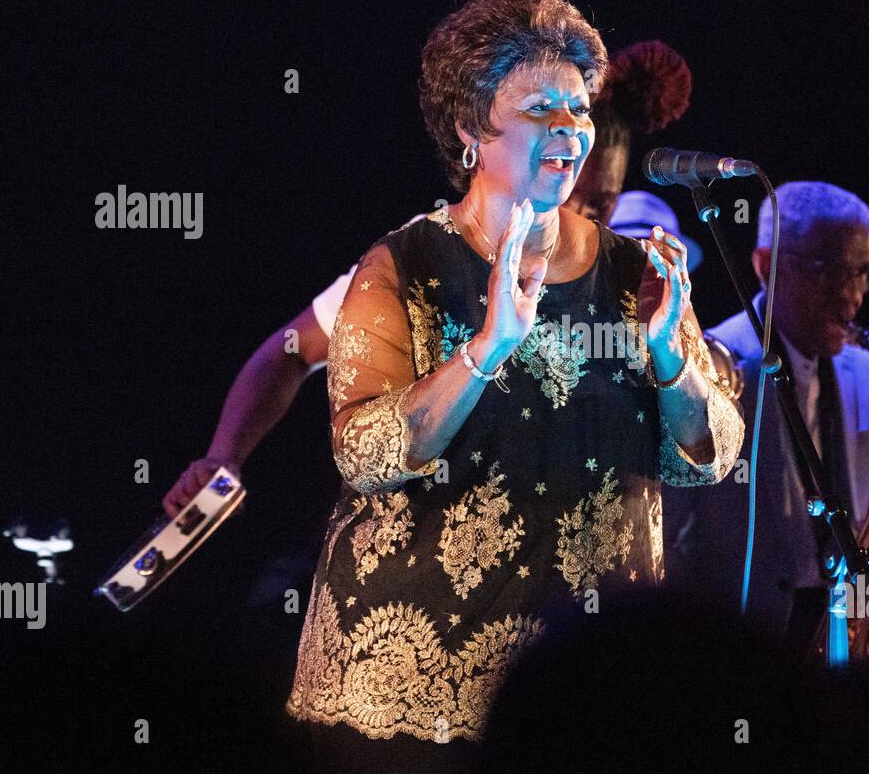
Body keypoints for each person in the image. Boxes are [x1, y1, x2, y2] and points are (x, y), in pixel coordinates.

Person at [284, 0, 743, 774]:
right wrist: (487, 348)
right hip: (413, 703)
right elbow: (364, 456)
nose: (570, 131)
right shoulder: (404, 267)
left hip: (587, 693)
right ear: (470, 128)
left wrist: (673, 366)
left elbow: (709, 455)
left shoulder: (637, 270)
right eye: (540, 110)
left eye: (578, 110)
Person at [162, 40, 694, 518]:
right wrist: (224, 456)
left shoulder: (628, 279)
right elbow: (291, 349)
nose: (574, 205)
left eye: (599, 200)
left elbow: (691, 445)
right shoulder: (421, 260)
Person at [666, 181, 869, 659]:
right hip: (740, 647)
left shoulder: (867, 372)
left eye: (863, 274)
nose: (851, 297)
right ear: (766, 266)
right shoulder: (710, 365)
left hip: (843, 643)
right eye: (828, 271)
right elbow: (672, 531)